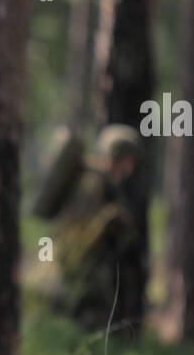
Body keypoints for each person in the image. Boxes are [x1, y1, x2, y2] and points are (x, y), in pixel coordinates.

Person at [55, 124, 143, 331]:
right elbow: (79, 228)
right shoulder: (94, 182)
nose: (130, 166)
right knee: (86, 325)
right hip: (83, 270)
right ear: (117, 155)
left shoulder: (99, 181)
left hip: (85, 267)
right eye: (128, 159)